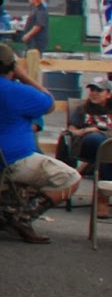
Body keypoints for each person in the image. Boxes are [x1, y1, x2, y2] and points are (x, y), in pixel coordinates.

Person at [0, 43, 81, 243]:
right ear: (12, 67)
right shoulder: (15, 91)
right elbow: (49, 102)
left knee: (28, 164)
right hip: (6, 163)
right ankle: (23, 217)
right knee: (70, 177)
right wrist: (23, 75)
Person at [59, 79, 112, 218]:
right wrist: (89, 130)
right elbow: (72, 130)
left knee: (106, 152)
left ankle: (103, 196)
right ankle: (102, 200)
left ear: (108, 94)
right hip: (87, 144)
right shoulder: (83, 108)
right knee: (99, 141)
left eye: (98, 90)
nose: (94, 93)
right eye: (92, 90)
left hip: (108, 146)